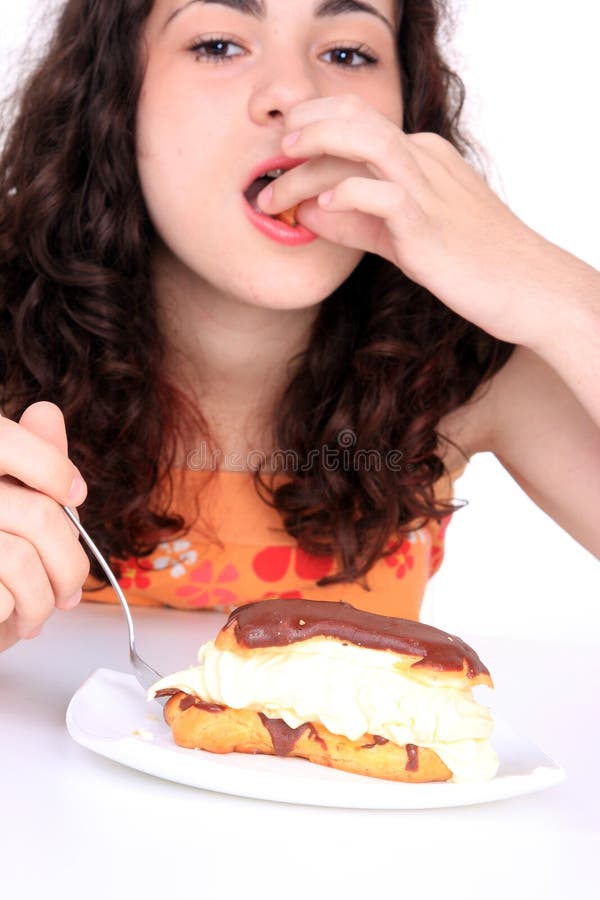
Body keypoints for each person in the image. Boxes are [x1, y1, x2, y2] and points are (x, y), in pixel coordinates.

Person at [0, 0, 598, 653]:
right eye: (220, 45)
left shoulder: (470, 365)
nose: (295, 92)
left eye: (347, 54)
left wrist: (551, 288)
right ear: (115, 88)